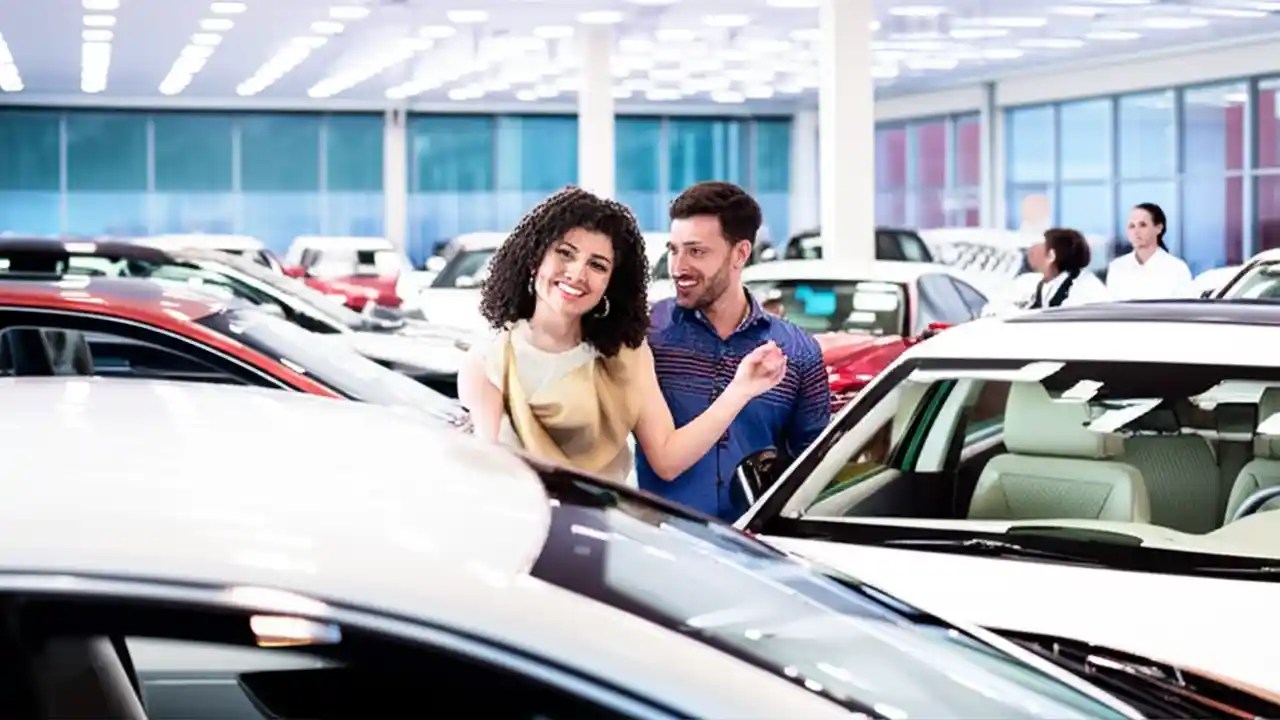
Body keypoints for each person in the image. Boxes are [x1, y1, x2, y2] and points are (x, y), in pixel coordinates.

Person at [457, 186, 787, 487]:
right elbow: (490, 477)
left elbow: (668, 460)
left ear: (611, 284)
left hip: (609, 534)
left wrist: (740, 390)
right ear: (535, 259)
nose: (577, 274)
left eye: (597, 265)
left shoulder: (625, 356)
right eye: (565, 253)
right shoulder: (489, 361)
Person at [638, 181, 832, 521]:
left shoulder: (797, 352)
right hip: (662, 550)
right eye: (673, 250)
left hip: (755, 553)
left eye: (696, 251)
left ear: (740, 254)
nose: (678, 267)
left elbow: (813, 469)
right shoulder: (648, 335)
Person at [1106, 202, 1194, 300]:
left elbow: (1185, 311)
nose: (1136, 232)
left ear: (1158, 228)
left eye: (1142, 225)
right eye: (1131, 226)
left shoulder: (1177, 268)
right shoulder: (1117, 267)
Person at [1026, 228, 1110, 309]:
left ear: (1051, 255)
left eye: (1036, 249)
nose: (1030, 252)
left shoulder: (1085, 288)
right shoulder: (1045, 284)